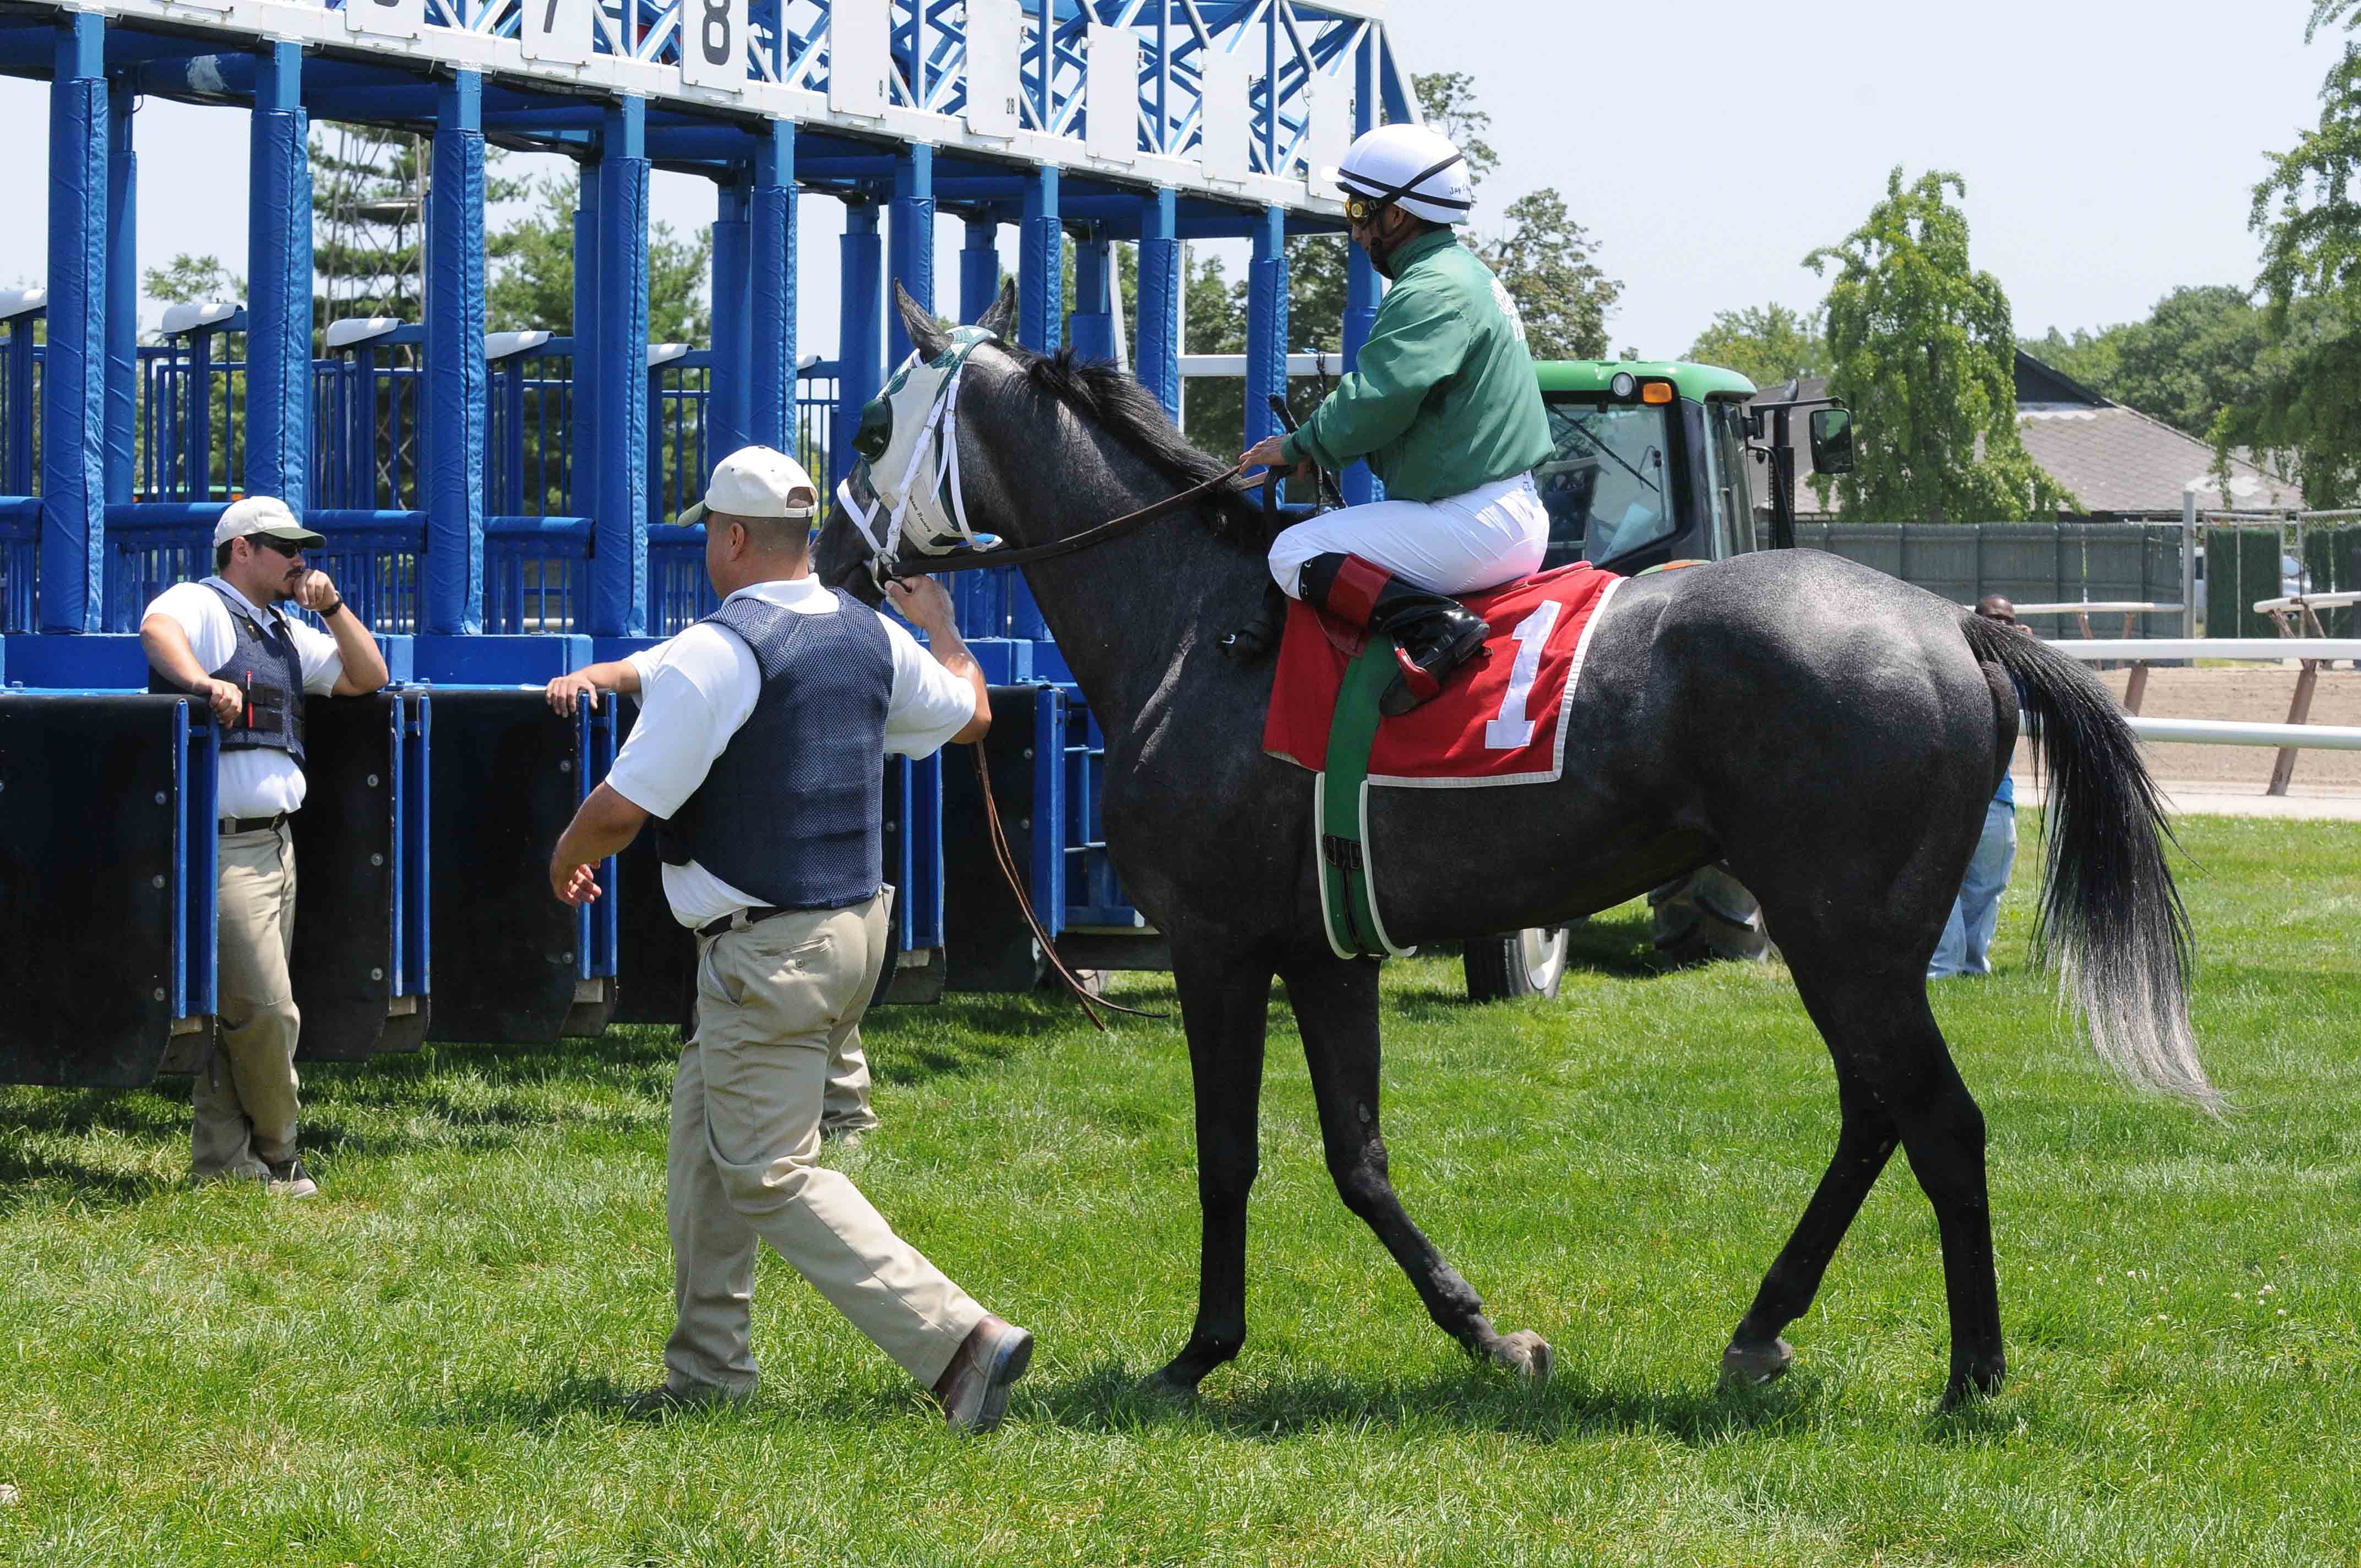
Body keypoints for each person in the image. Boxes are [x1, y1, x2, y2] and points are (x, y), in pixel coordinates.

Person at [546, 445, 1034, 1433]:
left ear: (729, 537)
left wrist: (562, 858)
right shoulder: (870, 634)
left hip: (765, 952)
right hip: (851, 935)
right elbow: (974, 712)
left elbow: (619, 809)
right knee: (706, 1137)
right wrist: (942, 628)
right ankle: (706, 1371)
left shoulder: (714, 651)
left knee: (769, 1172)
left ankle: (957, 1341)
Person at [1236, 122, 1555, 716]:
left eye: (1360, 209)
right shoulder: (1463, 274)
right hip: (1498, 509)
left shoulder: (1430, 287)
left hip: (1472, 520)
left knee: (1291, 552)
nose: (1354, 230)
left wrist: (1301, 444)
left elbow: (1380, 397)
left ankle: (1439, 630)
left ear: (1400, 216)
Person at [138, 496, 391, 1195]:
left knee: (245, 1015)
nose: (299, 559)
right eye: (284, 547)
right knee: (270, 1012)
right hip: (223, 850)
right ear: (241, 549)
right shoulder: (202, 602)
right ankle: (281, 1154)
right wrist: (201, 683)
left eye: (302, 547)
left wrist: (333, 608)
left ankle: (222, 1162)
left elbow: (368, 675)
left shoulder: (283, 628)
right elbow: (157, 629)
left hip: (277, 847)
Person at [547, 648, 882, 1143]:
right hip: (769, 886)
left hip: (782, 885)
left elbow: (617, 811)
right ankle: (815, 1125)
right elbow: (626, 672)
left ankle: (835, 1125)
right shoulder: (701, 649)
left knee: (772, 1151)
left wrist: (569, 855)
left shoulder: (750, 649)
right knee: (788, 1005)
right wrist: (579, 676)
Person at [1931, 595, 2026, 979]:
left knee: (1987, 890)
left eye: (2008, 621)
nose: (2001, 626)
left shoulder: (2019, 672)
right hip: (1951, 802)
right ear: (1976, 623)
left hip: (1998, 800)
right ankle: (1943, 967)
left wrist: (2027, 653)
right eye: (1993, 619)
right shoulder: (1953, 664)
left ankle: (1970, 966)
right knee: (1944, 886)